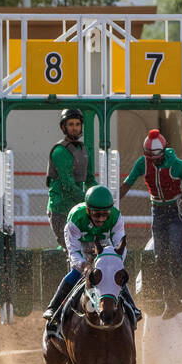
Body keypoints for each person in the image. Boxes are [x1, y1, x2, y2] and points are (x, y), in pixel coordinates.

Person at [120, 128, 182, 317]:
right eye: (150, 157)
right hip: (158, 211)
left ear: (163, 151)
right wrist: (113, 201)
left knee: (177, 253)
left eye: (157, 157)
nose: (153, 161)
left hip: (175, 211)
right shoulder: (142, 164)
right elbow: (128, 182)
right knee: (160, 257)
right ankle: (170, 301)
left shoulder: (178, 165)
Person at [42, 185, 139, 331]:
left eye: (105, 214)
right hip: (82, 249)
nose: (101, 219)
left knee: (112, 275)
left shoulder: (116, 217)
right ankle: (54, 307)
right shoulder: (76, 218)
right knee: (76, 274)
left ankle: (132, 307)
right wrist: (85, 266)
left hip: (105, 249)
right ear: (88, 210)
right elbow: (73, 251)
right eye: (96, 214)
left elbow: (120, 247)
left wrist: (111, 263)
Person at [46, 108, 96, 250]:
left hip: (78, 208)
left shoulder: (85, 150)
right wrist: (90, 202)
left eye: (77, 124)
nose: (75, 128)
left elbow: (90, 180)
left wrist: (99, 195)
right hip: (60, 210)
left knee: (89, 248)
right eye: (71, 124)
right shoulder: (60, 151)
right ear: (64, 127)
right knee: (73, 250)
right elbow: (68, 185)